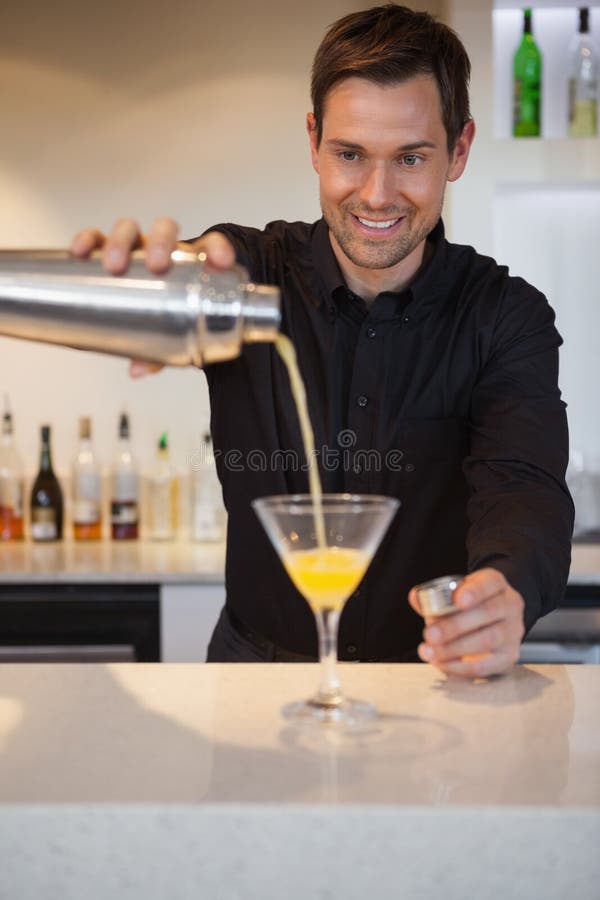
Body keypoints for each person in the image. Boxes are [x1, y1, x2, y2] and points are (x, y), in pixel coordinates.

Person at [71, 3, 574, 676]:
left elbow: (523, 488)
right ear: (313, 141)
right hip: (254, 678)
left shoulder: (505, 316)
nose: (376, 193)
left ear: (459, 151)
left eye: (411, 158)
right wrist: (120, 288)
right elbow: (161, 289)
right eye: (349, 154)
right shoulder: (243, 276)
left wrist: (507, 588)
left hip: (427, 684)